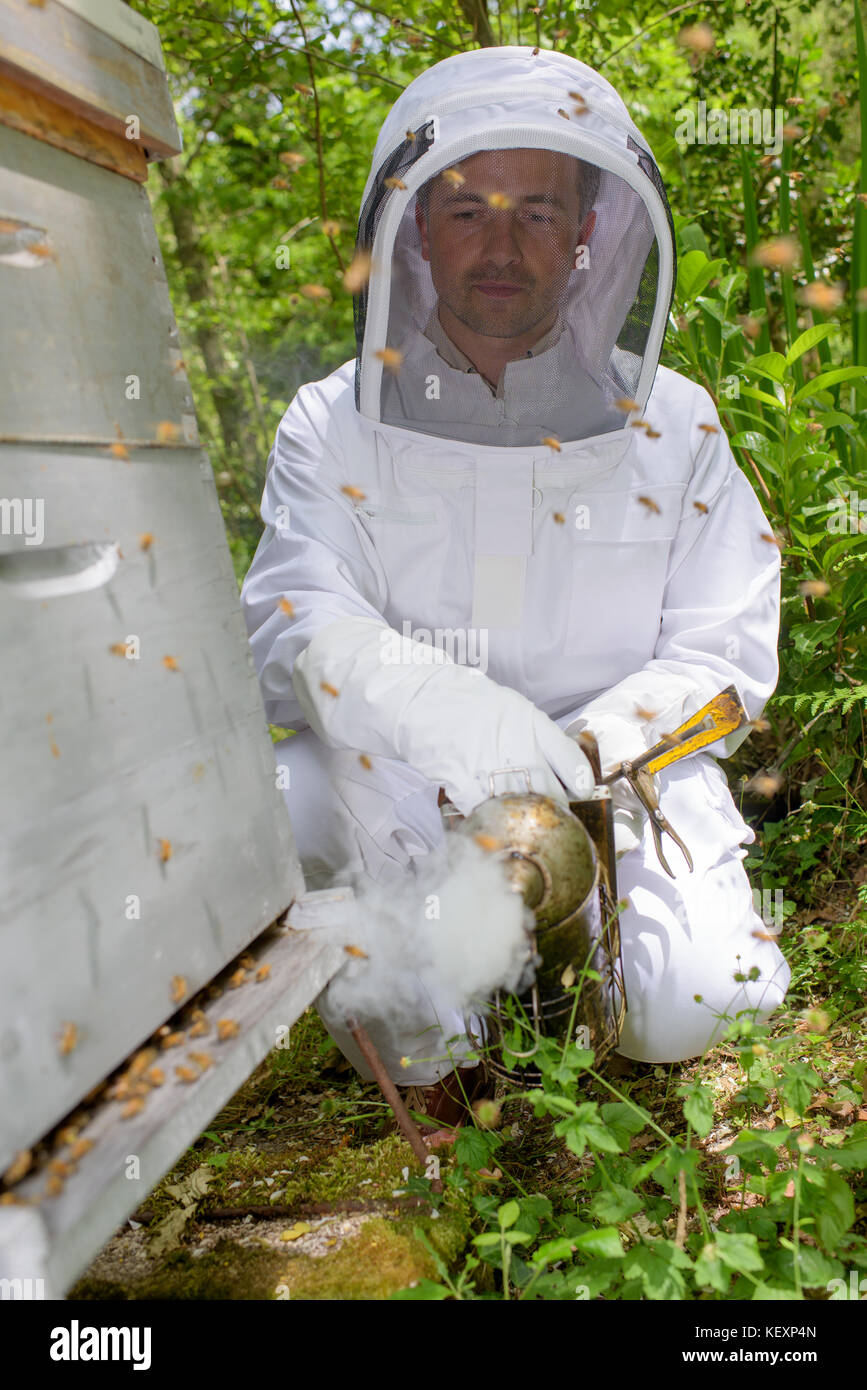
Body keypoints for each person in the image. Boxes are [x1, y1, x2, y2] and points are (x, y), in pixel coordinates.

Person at [240, 45, 790, 1126]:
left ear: (589, 234)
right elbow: (295, 621)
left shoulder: (673, 424)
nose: (502, 247)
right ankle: (432, 1059)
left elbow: (727, 651)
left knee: (689, 1004)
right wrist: (449, 717)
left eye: (539, 213)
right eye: (467, 212)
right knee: (291, 793)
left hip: (623, 789)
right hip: (407, 786)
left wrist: (585, 750)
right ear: (415, 233)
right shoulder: (329, 421)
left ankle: (598, 1000)